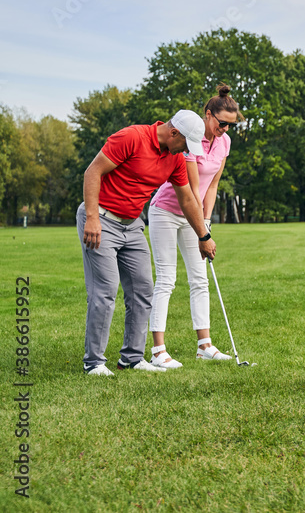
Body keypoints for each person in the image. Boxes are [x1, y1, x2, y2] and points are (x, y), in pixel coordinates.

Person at [79, 110, 217, 376]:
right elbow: (92, 172)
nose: (187, 151)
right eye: (186, 144)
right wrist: (92, 218)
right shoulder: (131, 137)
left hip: (132, 225)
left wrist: (203, 235)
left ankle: (131, 357)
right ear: (174, 133)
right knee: (105, 290)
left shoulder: (175, 158)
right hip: (102, 219)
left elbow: (187, 198)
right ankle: (93, 362)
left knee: (143, 289)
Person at [147, 85, 243, 367]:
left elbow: (212, 185)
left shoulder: (224, 143)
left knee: (200, 279)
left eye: (230, 125)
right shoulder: (192, 139)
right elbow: (191, 187)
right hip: (166, 210)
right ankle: (158, 351)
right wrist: (202, 231)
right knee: (166, 279)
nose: (224, 129)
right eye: (221, 123)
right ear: (208, 115)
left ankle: (205, 346)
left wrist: (207, 223)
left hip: (197, 217)